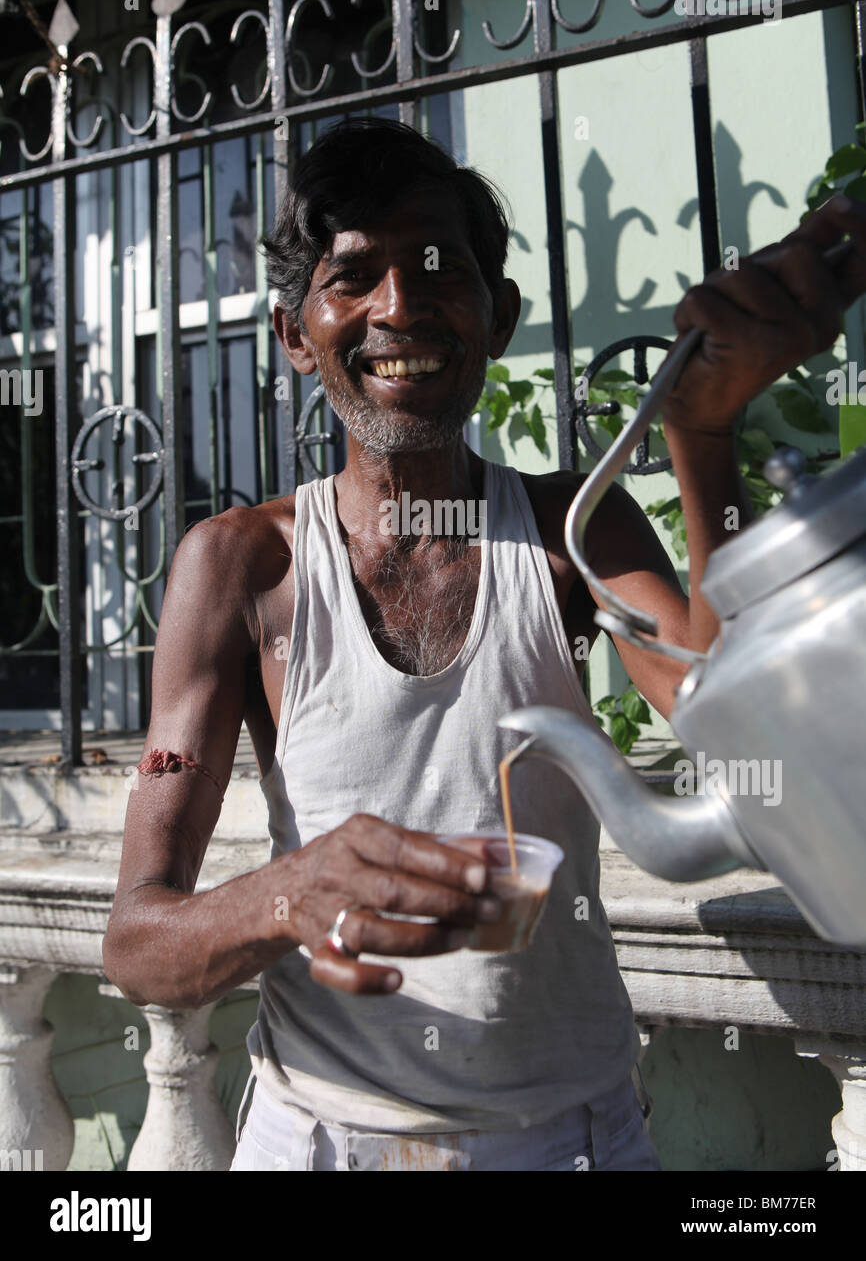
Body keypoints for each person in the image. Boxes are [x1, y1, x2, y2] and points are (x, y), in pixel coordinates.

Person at [102, 118, 866, 1171]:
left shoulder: (573, 535)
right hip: (318, 1141)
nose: (398, 307)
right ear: (294, 333)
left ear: (496, 315)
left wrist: (700, 433)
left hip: (570, 1142)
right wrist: (292, 893)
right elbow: (139, 947)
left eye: (435, 269)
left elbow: (750, 758)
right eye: (352, 274)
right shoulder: (242, 567)